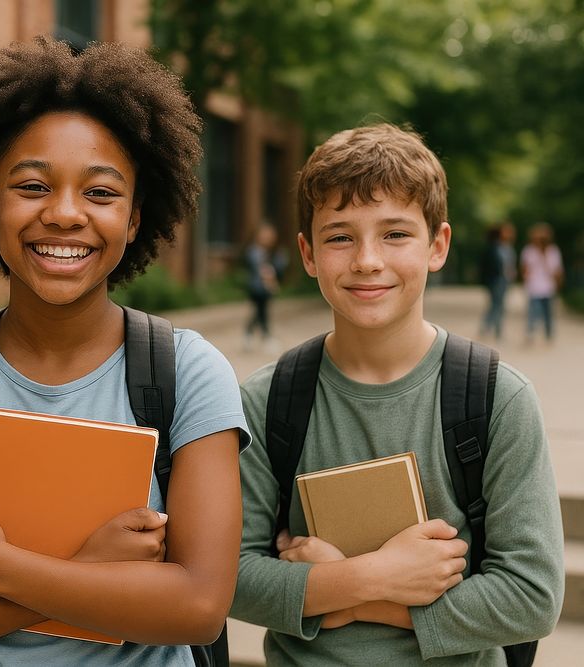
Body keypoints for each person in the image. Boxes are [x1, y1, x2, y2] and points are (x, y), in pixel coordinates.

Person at [0, 37, 249, 665]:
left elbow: (199, 608)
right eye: (33, 186)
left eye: (100, 193)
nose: (65, 215)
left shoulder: (189, 373)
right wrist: (93, 572)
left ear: (136, 217)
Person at [230, 124, 564, 663]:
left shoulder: (496, 398)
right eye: (340, 236)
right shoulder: (267, 400)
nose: (367, 260)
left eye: (395, 234)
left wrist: (347, 594)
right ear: (308, 254)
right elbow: (229, 576)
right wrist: (376, 575)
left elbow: (532, 598)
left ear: (438, 245)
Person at [243, 222, 287, 351]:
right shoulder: (254, 251)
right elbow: (263, 270)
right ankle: (264, 337)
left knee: (259, 313)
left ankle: (250, 335)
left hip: (265, 289)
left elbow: (278, 268)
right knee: (261, 313)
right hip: (256, 288)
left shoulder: (272, 252)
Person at [521, 221, 564, 343]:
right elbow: (525, 269)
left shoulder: (553, 251)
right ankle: (530, 333)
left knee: (548, 314)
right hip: (534, 287)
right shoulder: (529, 251)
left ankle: (549, 334)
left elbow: (557, 269)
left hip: (549, 287)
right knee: (533, 313)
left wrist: (558, 282)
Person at [478, 221, 516, 340]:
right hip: (495, 280)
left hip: (505, 280)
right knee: (496, 304)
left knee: (499, 304)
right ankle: (492, 328)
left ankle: (493, 328)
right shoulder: (493, 247)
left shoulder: (507, 247)